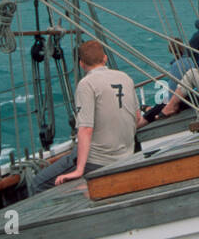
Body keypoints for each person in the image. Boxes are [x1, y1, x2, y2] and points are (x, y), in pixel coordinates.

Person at [30, 39, 136, 192]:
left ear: (81, 63)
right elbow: (136, 117)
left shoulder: (86, 84)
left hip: (99, 160)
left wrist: (79, 170)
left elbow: (85, 129)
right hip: (126, 155)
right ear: (105, 58)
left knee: (38, 184)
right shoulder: (125, 78)